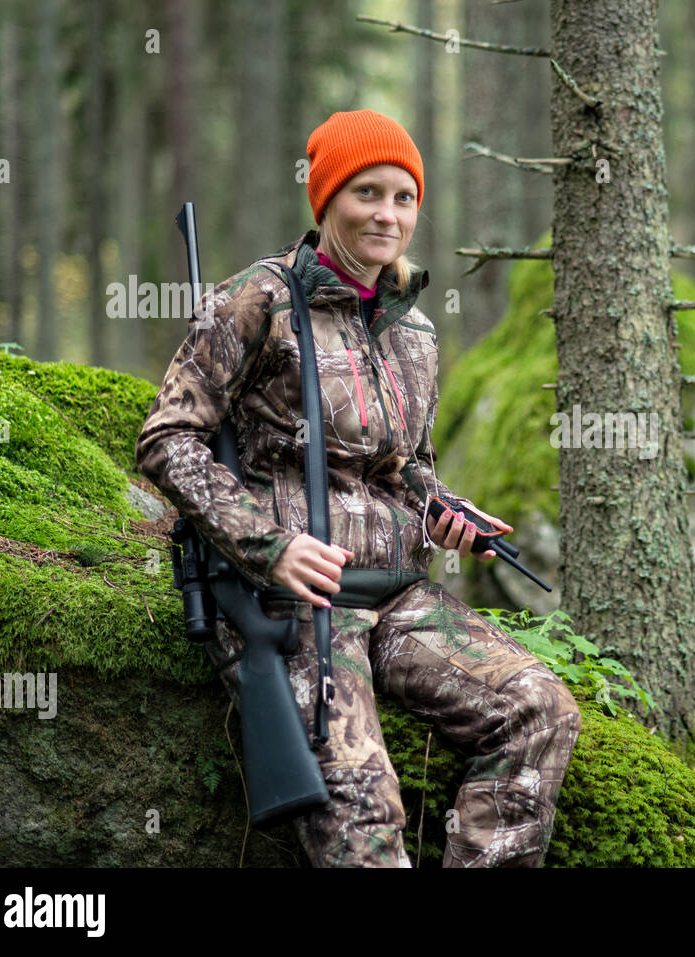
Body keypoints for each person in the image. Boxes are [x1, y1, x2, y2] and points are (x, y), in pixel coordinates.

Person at [136, 109, 581, 867]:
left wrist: (441, 509)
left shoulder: (416, 333)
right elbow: (167, 439)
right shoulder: (258, 299)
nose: (387, 213)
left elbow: (405, 469)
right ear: (326, 198)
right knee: (366, 817)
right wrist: (268, 547)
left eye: (404, 197)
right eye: (366, 192)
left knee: (539, 710)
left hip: (401, 594)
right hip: (296, 602)